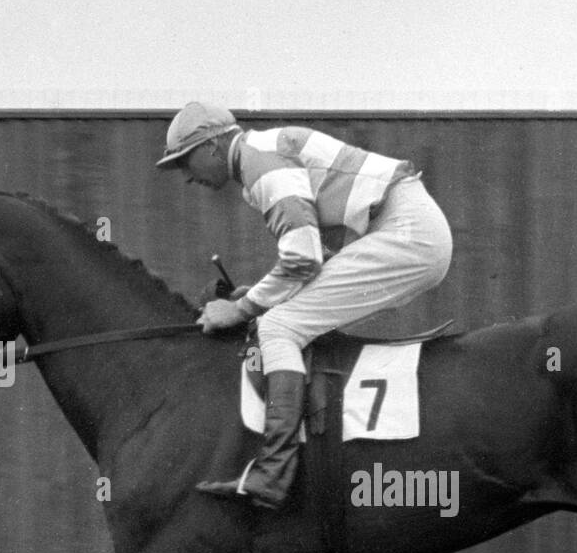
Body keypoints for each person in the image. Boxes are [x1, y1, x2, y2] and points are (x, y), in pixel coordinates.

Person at [156, 102, 452, 509]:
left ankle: (273, 473)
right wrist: (259, 297)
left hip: (406, 233)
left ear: (211, 146)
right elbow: (313, 259)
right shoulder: (259, 159)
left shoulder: (260, 165)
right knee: (281, 316)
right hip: (405, 227)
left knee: (278, 328)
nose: (187, 178)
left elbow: (303, 258)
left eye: (184, 163)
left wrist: (242, 310)